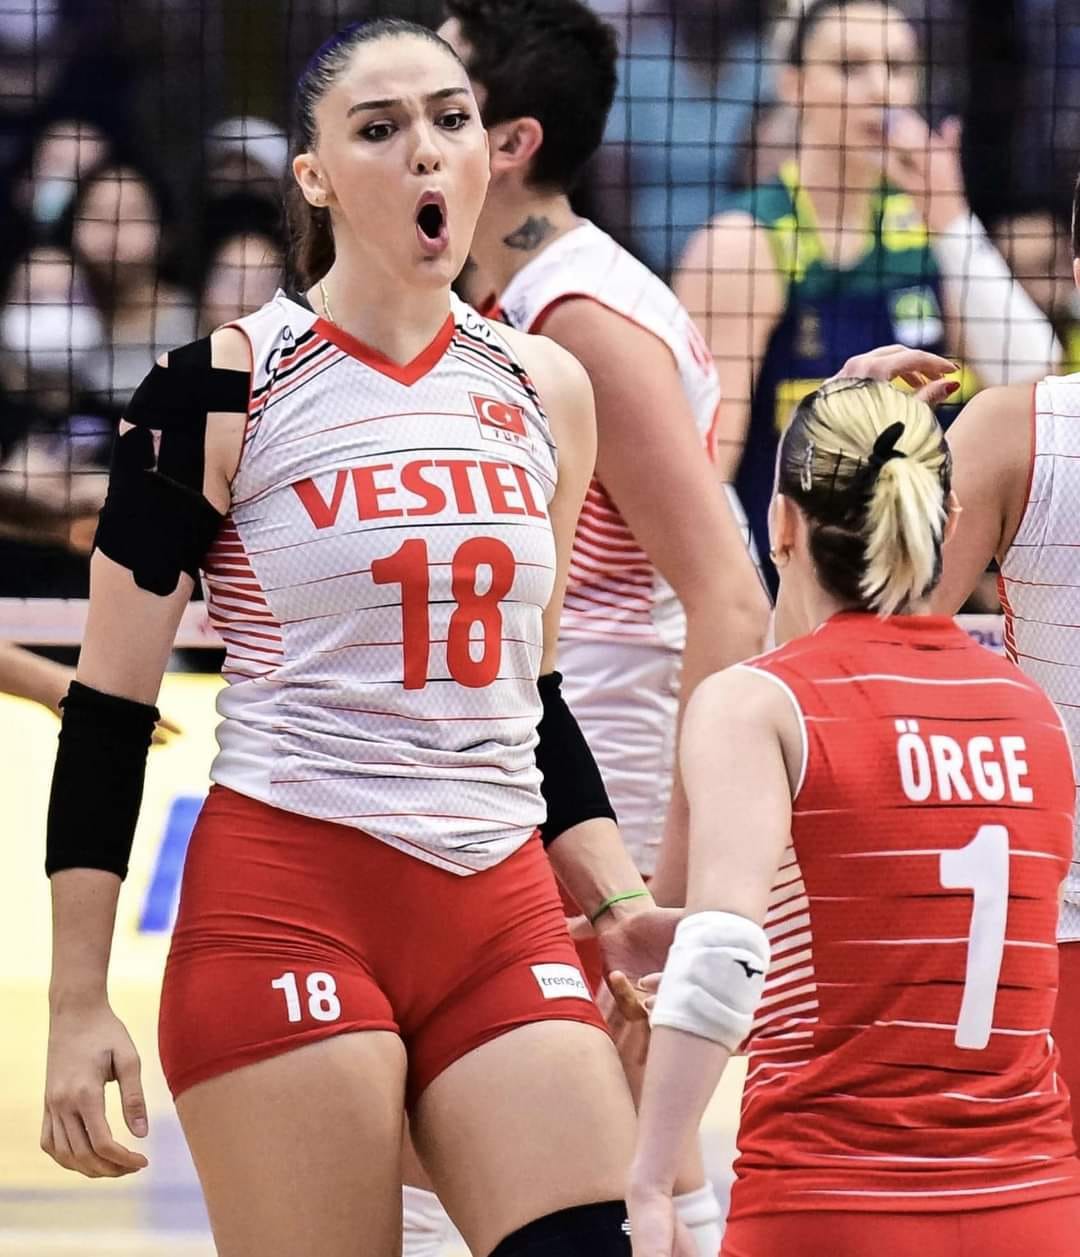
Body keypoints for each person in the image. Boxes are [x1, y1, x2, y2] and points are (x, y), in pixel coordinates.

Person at [40, 19, 671, 1257]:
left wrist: (619, 903)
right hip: (287, 904)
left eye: (449, 119)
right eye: (379, 130)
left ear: (488, 152)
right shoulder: (213, 390)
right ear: (316, 177)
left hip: (499, 912)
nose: (425, 150)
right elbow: (107, 714)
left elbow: (534, 702)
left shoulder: (547, 387)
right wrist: (75, 1002)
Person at [438, 4, 770, 1249]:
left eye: (446, 101)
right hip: (577, 750)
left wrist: (671, 877)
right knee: (637, 1145)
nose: (415, 121)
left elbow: (728, 593)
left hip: (614, 764)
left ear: (510, 141)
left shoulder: (577, 317)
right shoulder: (531, 295)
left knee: (619, 1139)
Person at [625, 372, 1080, 1257]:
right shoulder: (1032, 714)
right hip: (1030, 1204)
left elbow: (725, 954)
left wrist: (649, 1179)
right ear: (946, 519)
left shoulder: (759, 703)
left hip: (831, 1200)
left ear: (781, 524)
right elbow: (924, 925)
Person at [675, 0, 1061, 594]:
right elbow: (704, 472)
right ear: (794, 85)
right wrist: (745, 614)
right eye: (851, 67)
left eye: (898, 67)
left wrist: (953, 222)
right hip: (786, 591)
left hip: (920, 590)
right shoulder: (743, 243)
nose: (881, 88)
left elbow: (1034, 378)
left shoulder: (931, 232)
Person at [929, 173, 1080, 1149]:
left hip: (1050, 924)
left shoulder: (1012, 428)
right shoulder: (1019, 431)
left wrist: (837, 462)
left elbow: (859, 656)